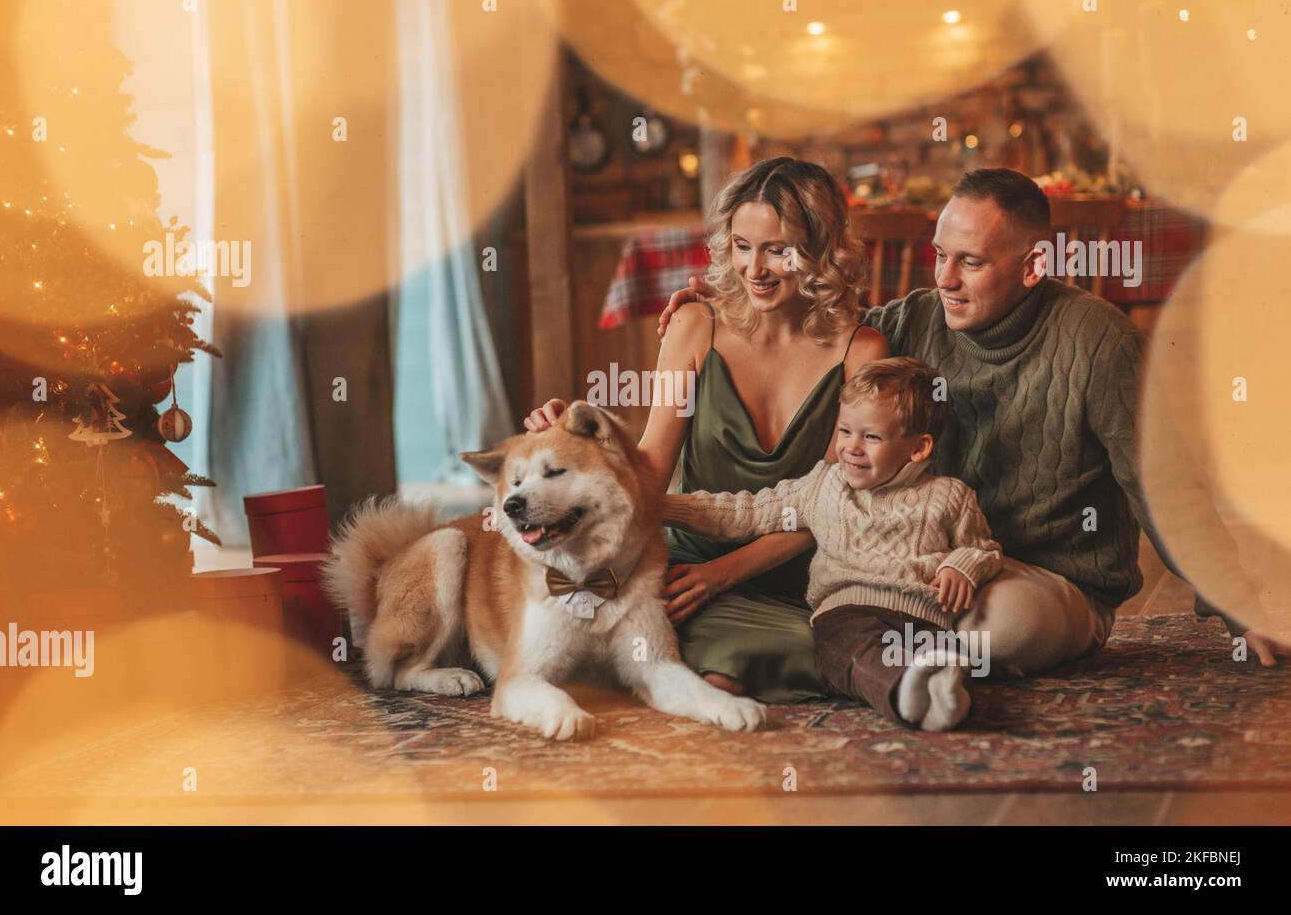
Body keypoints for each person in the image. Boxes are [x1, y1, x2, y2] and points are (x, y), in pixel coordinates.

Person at [656, 167, 1288, 670]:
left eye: (972, 263)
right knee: (867, 601)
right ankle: (897, 666)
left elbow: (1163, 484)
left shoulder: (1099, 341)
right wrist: (730, 302)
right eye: (940, 255)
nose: (946, 280)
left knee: (1002, 625)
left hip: (1047, 577)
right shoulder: (912, 321)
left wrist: (1232, 598)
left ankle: (898, 662)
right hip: (937, 567)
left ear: (1033, 266)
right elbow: (822, 327)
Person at [524, 157, 888, 702]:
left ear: (819, 250)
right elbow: (647, 467)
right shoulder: (696, 327)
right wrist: (577, 444)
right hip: (688, 560)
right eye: (742, 246)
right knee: (696, 658)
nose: (754, 268)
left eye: (777, 249)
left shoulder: (863, 351)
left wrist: (725, 574)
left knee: (790, 651)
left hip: (800, 569)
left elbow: (837, 506)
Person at [662, 356, 1005, 730]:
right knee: (851, 656)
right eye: (845, 431)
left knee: (949, 655)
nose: (852, 448)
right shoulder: (824, 484)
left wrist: (962, 566)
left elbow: (984, 548)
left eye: (871, 436)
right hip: (846, 612)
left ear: (919, 448)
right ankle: (910, 689)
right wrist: (661, 507)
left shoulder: (950, 495)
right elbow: (745, 512)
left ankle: (941, 690)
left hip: (924, 613)